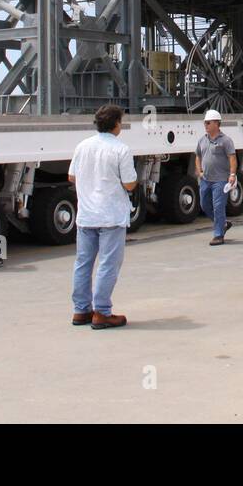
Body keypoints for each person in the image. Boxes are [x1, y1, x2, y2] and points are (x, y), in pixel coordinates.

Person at [68, 104, 137, 328]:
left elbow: (72, 177)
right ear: (116, 123)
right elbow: (129, 183)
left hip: (86, 215)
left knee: (83, 263)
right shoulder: (121, 149)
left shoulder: (82, 146)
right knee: (108, 264)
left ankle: (81, 310)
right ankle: (102, 312)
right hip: (111, 215)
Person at [195, 109, 238, 246]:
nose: (205, 125)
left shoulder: (226, 141)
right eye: (205, 123)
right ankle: (223, 224)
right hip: (206, 179)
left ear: (216, 123)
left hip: (220, 180)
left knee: (218, 206)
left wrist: (232, 174)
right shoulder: (202, 140)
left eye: (208, 123)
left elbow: (232, 158)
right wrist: (199, 171)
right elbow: (198, 156)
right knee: (204, 205)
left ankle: (218, 235)